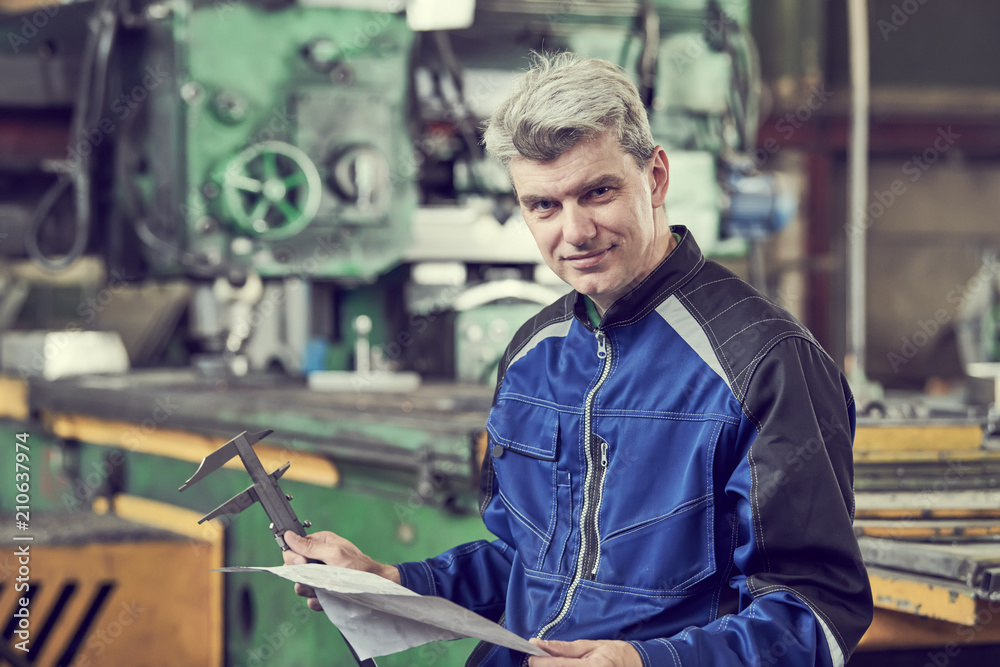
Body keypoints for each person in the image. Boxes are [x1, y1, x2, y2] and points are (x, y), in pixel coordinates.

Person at [284, 51, 873, 666]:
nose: (575, 232)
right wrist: (393, 582)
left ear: (657, 178)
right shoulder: (532, 355)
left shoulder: (765, 364)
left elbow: (818, 611)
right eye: (543, 205)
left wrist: (649, 663)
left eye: (598, 192)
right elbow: (527, 565)